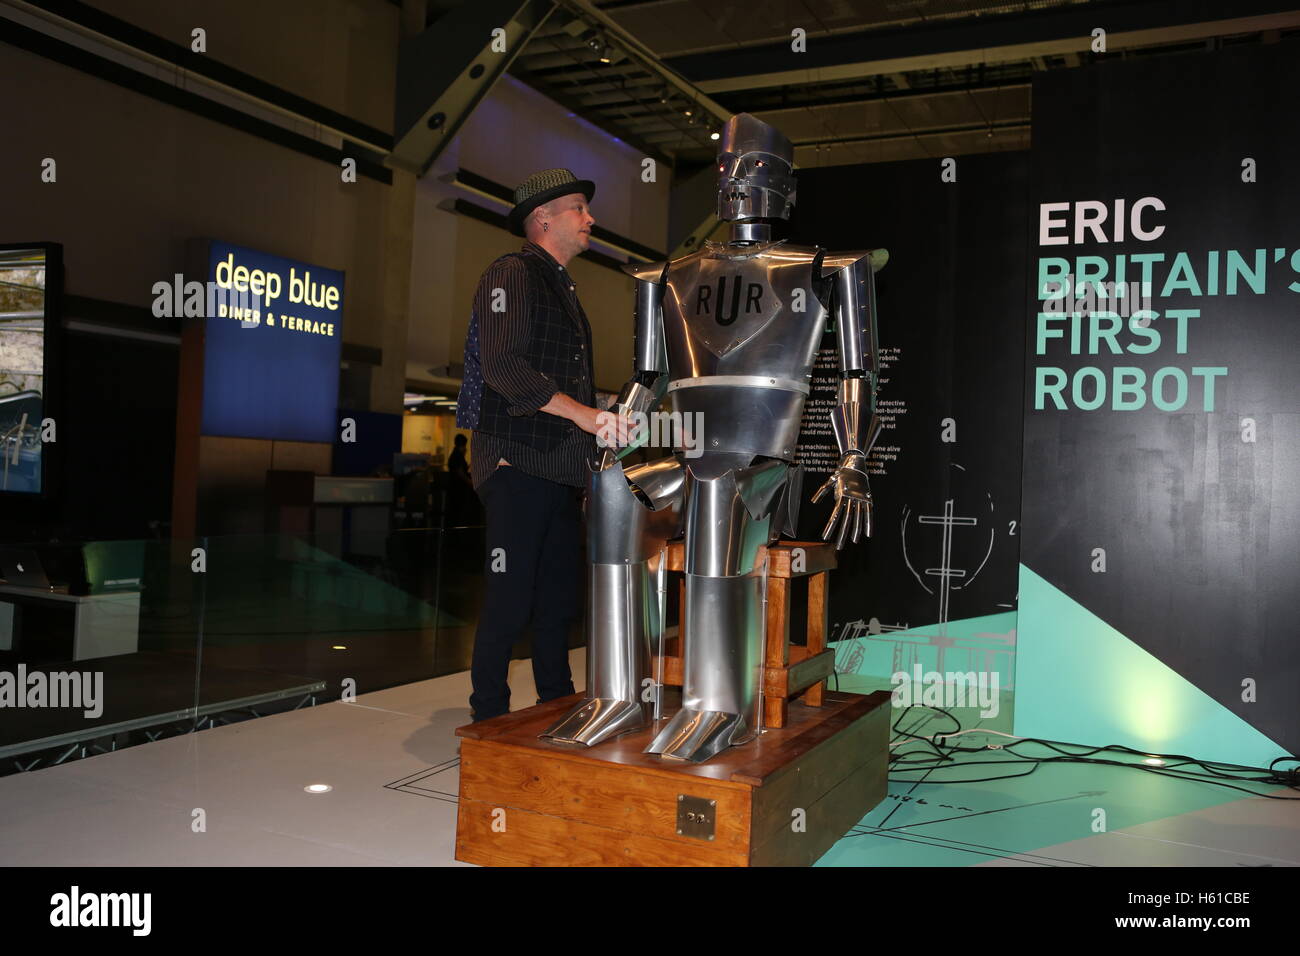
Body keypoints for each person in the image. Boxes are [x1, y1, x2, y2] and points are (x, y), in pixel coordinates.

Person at [455, 168, 620, 722]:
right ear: (544, 218)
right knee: (509, 603)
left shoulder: (561, 286)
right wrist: (587, 415)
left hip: (560, 468)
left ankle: (556, 711)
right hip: (518, 461)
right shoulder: (510, 274)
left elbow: (562, 382)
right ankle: (490, 723)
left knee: (555, 605)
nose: (590, 218)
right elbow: (502, 367)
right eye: (579, 208)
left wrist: (608, 414)